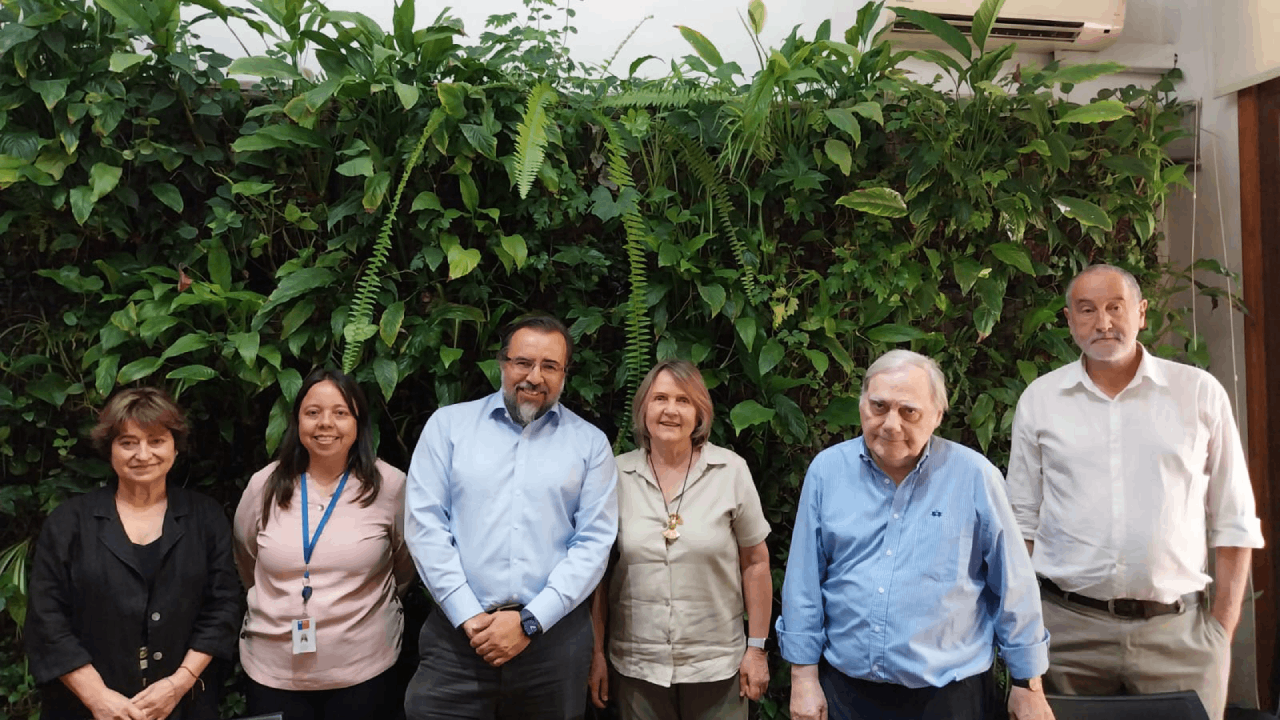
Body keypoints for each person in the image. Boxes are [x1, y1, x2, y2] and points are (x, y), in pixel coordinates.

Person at [1006, 264, 1265, 720]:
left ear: (1141, 313)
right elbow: (1020, 525)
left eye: (1114, 307)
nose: (1103, 323)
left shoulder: (1199, 393)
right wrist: (1026, 642)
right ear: (1069, 321)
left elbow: (1235, 520)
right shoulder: (1041, 401)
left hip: (1178, 635)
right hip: (1067, 635)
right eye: (1087, 310)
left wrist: (1220, 633)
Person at [777, 350, 1055, 720]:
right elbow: (803, 583)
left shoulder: (975, 477)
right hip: (847, 692)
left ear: (937, 416)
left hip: (949, 696)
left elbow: (1015, 587)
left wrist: (1028, 685)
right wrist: (802, 677)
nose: (891, 424)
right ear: (861, 406)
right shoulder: (827, 472)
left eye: (909, 411)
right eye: (878, 407)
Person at [403, 314, 618, 720]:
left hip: (553, 646)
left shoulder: (590, 444)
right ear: (502, 363)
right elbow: (425, 527)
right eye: (523, 362)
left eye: (550, 366)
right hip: (458, 640)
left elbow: (593, 544)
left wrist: (530, 623)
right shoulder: (448, 428)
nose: (534, 377)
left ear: (564, 374)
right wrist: (469, 616)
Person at [25, 387, 239, 720]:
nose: (143, 454)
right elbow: (46, 620)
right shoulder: (69, 523)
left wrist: (177, 685)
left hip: (184, 705)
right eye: (127, 442)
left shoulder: (205, 518)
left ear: (175, 447)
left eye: (156, 441)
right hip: (85, 708)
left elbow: (223, 608)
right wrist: (97, 697)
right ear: (109, 449)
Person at [588, 359, 772, 720]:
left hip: (718, 668)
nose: (670, 410)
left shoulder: (730, 471)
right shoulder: (615, 474)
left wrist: (757, 649)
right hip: (637, 671)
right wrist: (596, 655)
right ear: (642, 410)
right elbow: (598, 576)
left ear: (699, 412)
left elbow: (757, 562)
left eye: (683, 400)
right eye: (659, 399)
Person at [233, 368, 415, 720]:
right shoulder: (264, 485)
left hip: (364, 669)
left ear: (359, 422)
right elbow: (246, 559)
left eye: (340, 412)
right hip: (271, 670)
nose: (325, 423)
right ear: (297, 420)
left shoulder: (390, 486)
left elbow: (403, 566)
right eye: (312, 412)